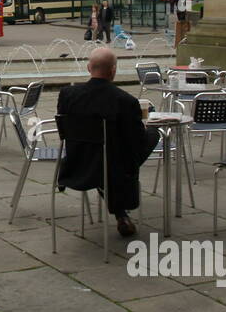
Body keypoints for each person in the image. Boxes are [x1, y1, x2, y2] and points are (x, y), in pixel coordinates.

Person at [55, 46, 161, 239]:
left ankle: (121, 212)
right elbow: (136, 142)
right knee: (153, 135)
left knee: (103, 150)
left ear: (88, 68)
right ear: (113, 70)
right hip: (113, 166)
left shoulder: (67, 95)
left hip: (77, 163)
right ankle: (123, 204)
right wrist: (149, 129)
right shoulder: (125, 101)